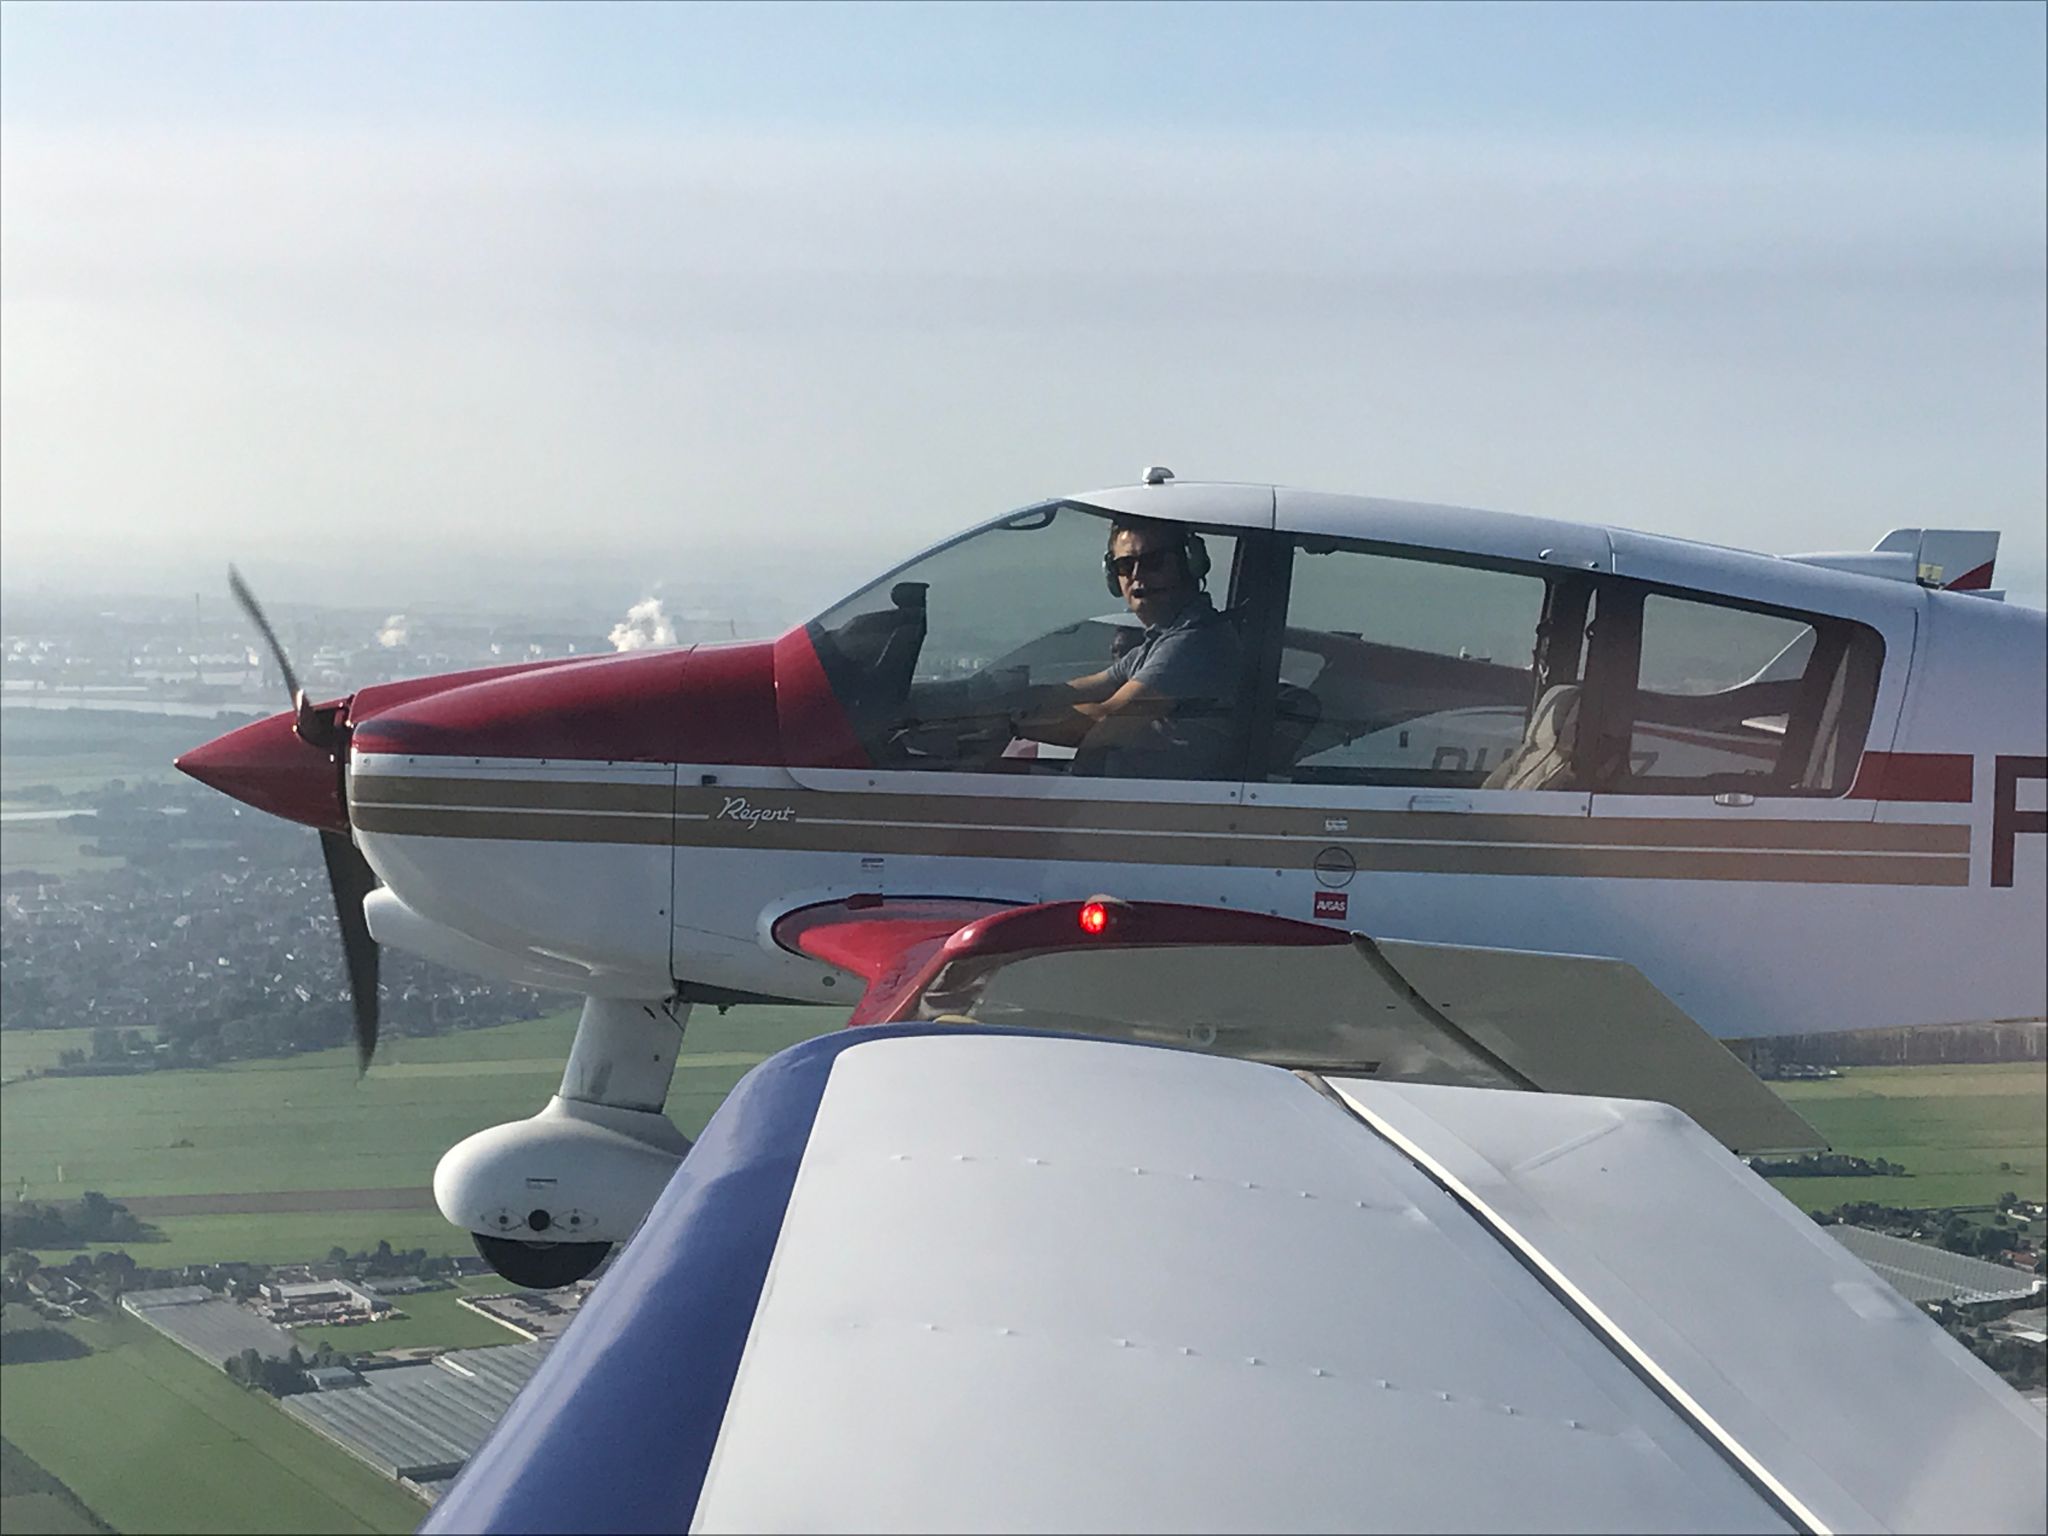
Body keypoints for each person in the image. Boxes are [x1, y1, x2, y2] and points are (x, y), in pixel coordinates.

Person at [1015, 516, 1243, 776]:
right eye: (1124, 565)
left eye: (1152, 562)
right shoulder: (1159, 642)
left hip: (1164, 806)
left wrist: (1011, 724)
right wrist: (985, 703)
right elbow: (1076, 691)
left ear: (1189, 565)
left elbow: (1106, 720)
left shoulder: (1195, 643)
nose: (1136, 575)